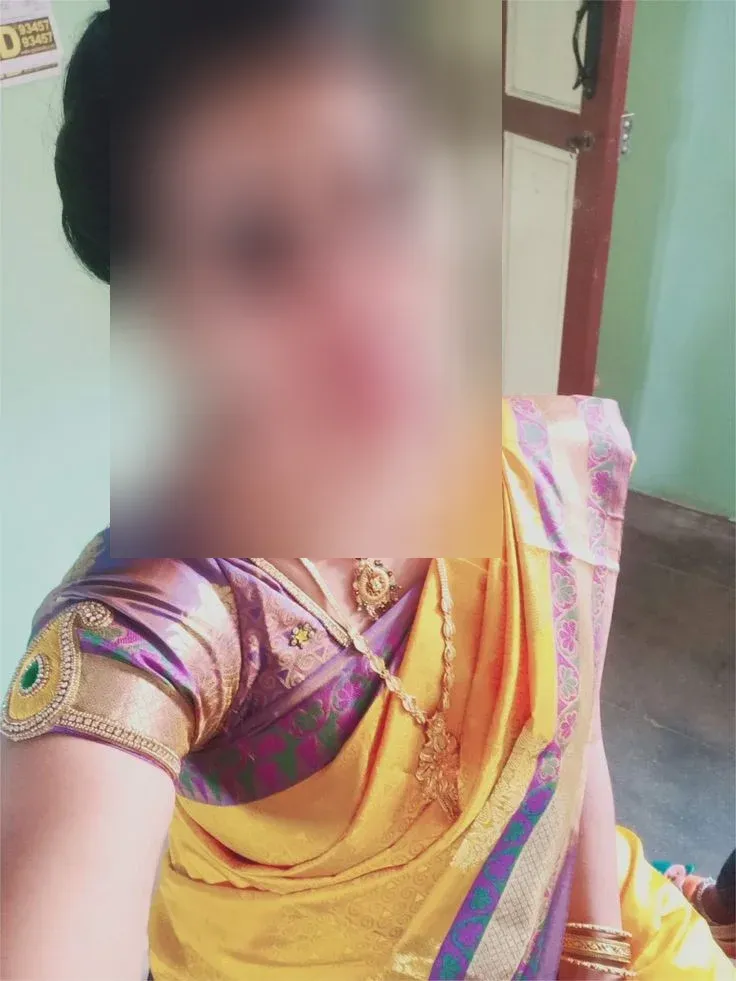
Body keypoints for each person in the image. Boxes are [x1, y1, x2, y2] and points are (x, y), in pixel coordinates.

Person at [1, 4, 731, 980]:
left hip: (569, 898)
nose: (363, 299)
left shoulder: (522, 460)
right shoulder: (156, 618)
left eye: (383, 196)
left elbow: (565, 733)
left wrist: (594, 950)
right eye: (255, 247)